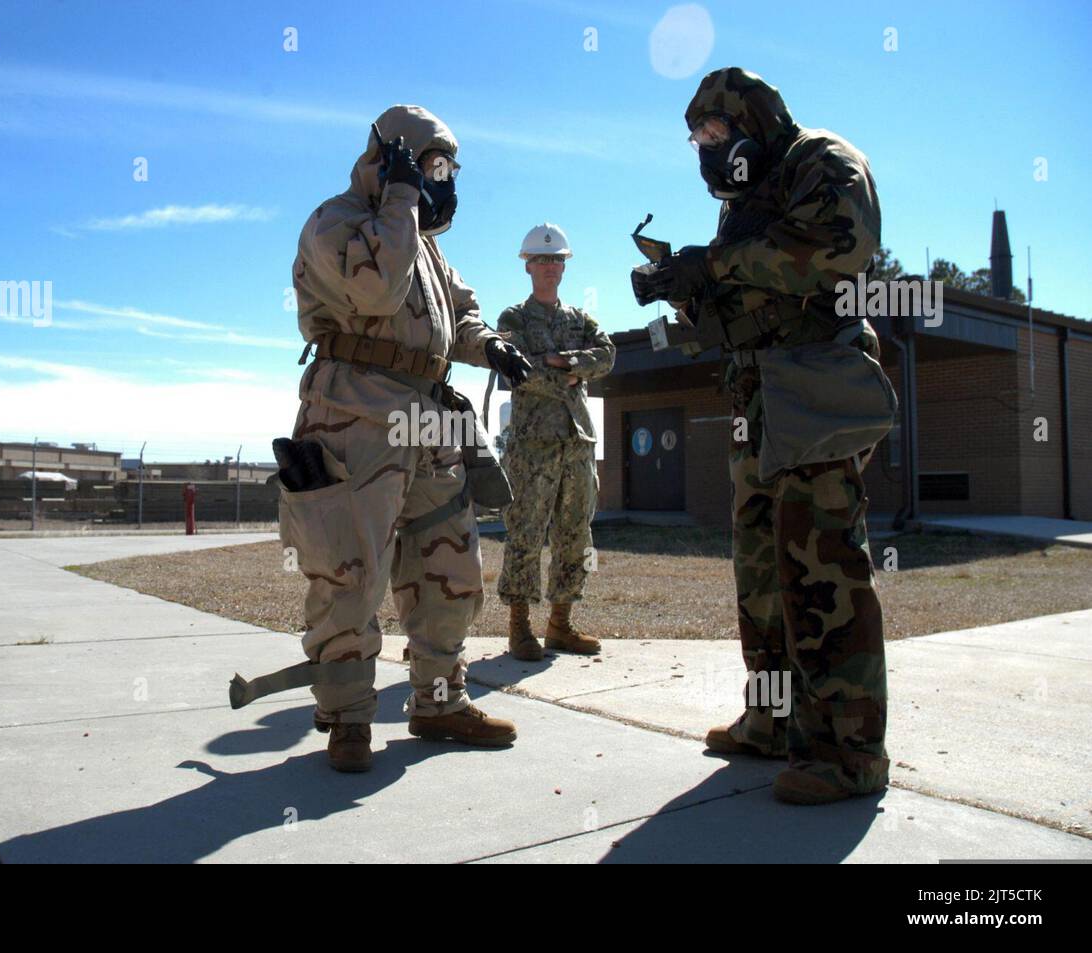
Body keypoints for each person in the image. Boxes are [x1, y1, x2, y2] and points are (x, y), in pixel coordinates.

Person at [632, 68, 890, 805]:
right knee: (761, 572)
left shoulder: (821, 160)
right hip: (757, 396)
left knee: (823, 566)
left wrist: (714, 264)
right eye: (698, 141)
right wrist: (688, 288)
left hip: (814, 388)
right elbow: (745, 293)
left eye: (716, 133)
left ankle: (849, 751)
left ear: (752, 121)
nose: (707, 150)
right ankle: (773, 718)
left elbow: (838, 248)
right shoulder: (740, 203)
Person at [281, 104, 533, 772]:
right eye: (433, 167)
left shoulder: (421, 241)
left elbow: (460, 309)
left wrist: (493, 346)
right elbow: (377, 287)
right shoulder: (336, 222)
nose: (443, 182)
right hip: (355, 412)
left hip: (428, 417)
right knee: (349, 571)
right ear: (391, 157)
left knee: (449, 569)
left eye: (449, 170)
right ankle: (348, 719)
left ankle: (439, 701)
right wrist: (398, 195)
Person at [496, 224, 615, 661]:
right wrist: (571, 375)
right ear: (527, 265)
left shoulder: (579, 321)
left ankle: (560, 625)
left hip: (577, 441)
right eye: (543, 260)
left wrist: (569, 362)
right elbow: (519, 371)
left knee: (575, 535)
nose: (550, 267)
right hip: (533, 445)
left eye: (557, 260)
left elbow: (607, 355)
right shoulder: (513, 319)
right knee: (525, 533)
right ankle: (519, 628)